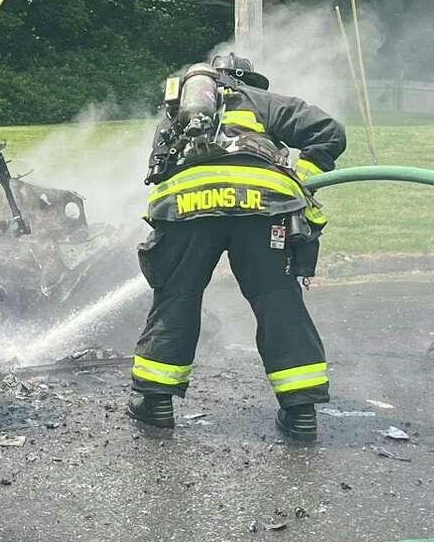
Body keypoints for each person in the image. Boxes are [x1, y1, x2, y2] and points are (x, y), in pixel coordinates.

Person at [128, 54, 347, 441]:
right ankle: (300, 412)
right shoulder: (262, 102)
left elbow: (158, 167)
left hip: (187, 206)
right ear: (246, 80)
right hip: (262, 208)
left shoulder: (179, 112)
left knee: (176, 297)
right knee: (277, 299)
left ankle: (156, 402)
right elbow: (329, 132)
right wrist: (303, 181)